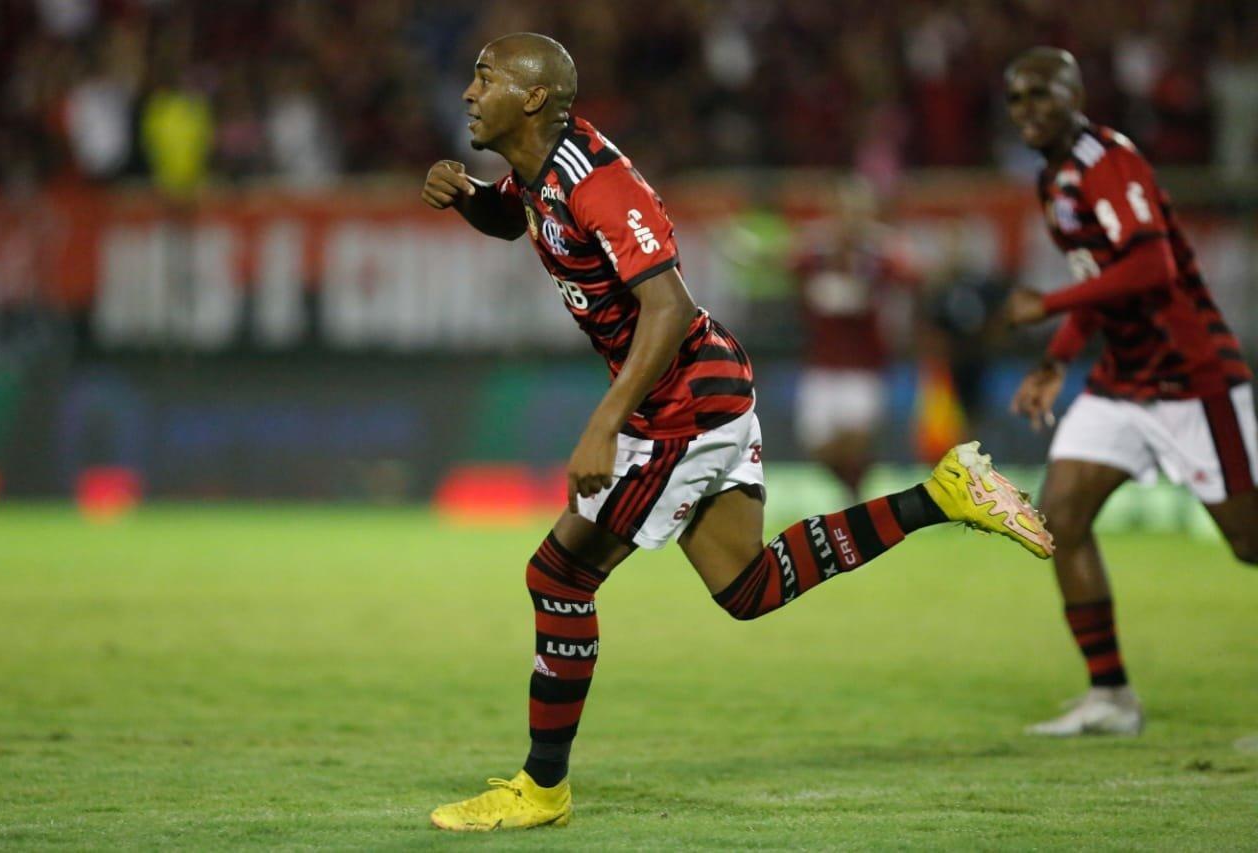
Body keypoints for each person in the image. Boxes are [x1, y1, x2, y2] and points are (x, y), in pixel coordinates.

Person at [421, 33, 1053, 832]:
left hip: (678, 405)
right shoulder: (540, 167)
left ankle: (542, 787)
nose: (470, 91)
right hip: (704, 389)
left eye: (485, 76)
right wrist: (476, 200)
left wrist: (604, 425)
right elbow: (522, 221)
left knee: (558, 577)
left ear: (535, 97)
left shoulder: (597, 183)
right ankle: (943, 494)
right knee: (747, 587)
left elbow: (669, 306)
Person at [1003, 47, 1258, 737]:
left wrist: (1048, 302)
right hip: (1123, 377)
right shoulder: (1053, 176)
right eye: (1017, 99)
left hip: (1191, 375)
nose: (1029, 109)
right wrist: (1058, 358)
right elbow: (1103, 278)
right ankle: (1111, 695)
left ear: (1076, 94)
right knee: (1062, 513)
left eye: (1042, 94)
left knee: (1248, 540)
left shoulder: (1107, 161)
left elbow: (1151, 265)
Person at [790, 184, 919, 502]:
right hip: (822, 364)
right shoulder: (816, 254)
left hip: (864, 366)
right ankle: (854, 492)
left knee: (855, 440)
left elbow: (913, 279)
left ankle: (855, 498)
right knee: (818, 447)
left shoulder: (880, 256)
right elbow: (788, 269)